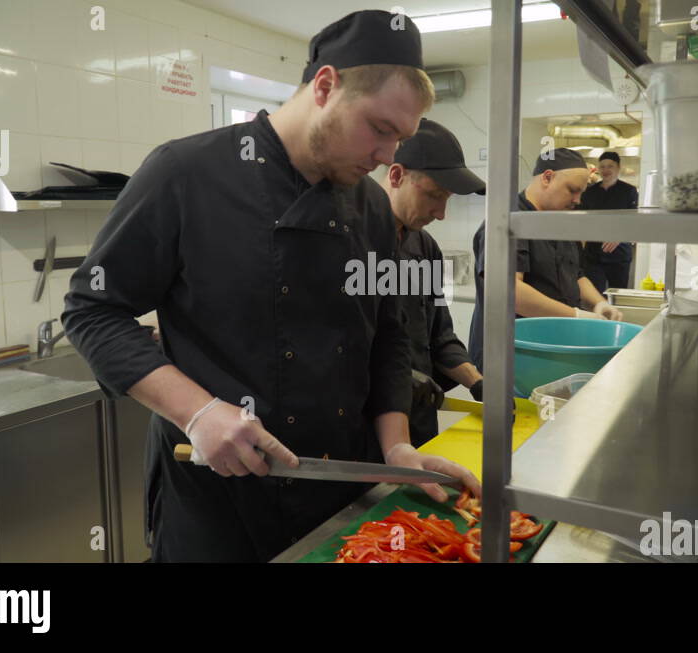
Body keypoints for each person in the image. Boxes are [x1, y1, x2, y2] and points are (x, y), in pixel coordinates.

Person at [61, 10, 479, 563]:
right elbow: (92, 311)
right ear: (325, 86)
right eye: (379, 129)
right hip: (216, 499)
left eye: (399, 140)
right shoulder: (184, 173)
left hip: (337, 492)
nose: (387, 157)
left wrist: (396, 445)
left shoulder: (372, 205)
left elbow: (387, 336)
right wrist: (199, 412)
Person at [379, 118, 486, 446]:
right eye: (435, 195)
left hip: (421, 417)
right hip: (370, 425)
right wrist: (397, 378)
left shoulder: (424, 247)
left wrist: (478, 382)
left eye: (447, 198)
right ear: (397, 175)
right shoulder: (350, 242)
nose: (441, 213)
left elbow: (440, 336)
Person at [468, 148, 623, 372]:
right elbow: (511, 291)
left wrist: (599, 303)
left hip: (548, 351)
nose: (578, 200)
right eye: (572, 190)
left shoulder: (558, 221)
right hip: (511, 354)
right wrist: (576, 316)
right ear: (547, 177)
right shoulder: (510, 221)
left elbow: (576, 274)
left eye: (582, 192)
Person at [579, 151, 639, 293]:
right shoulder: (589, 192)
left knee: (617, 295)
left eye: (610, 166)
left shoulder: (628, 191)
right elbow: (582, 221)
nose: (606, 170)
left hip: (619, 254)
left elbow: (633, 221)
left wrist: (619, 236)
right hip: (593, 255)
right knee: (594, 294)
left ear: (618, 168)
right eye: (603, 166)